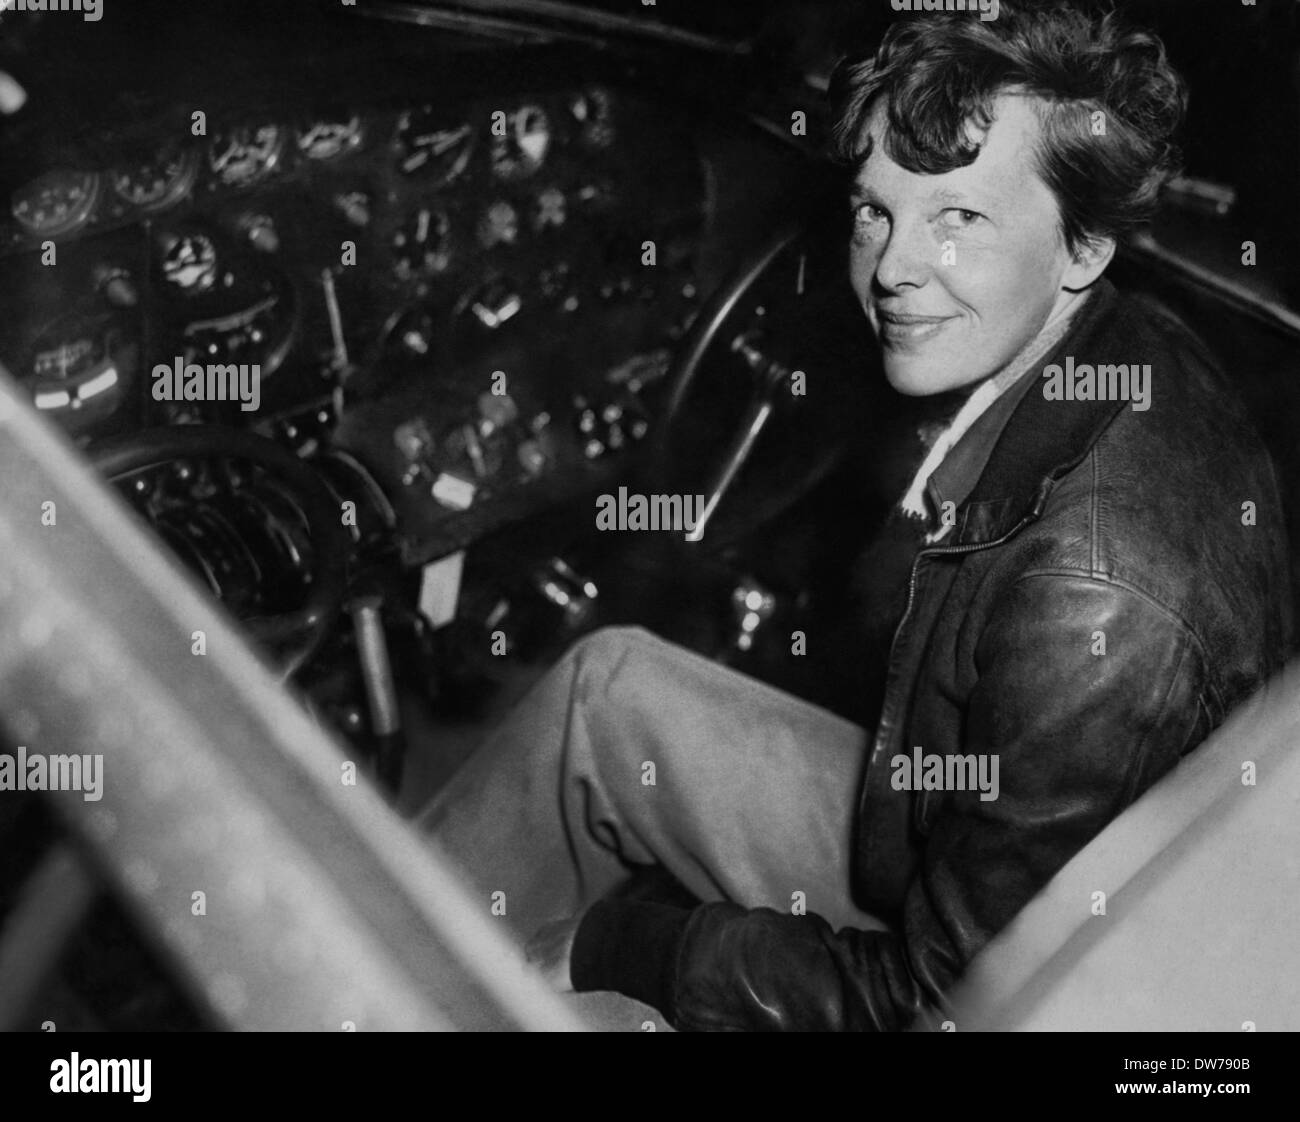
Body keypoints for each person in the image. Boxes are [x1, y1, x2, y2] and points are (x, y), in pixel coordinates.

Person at [417, 1, 1292, 1031]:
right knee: (603, 694)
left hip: (1077, 1011)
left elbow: (941, 1008)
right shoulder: (1115, 342)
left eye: (959, 218)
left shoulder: (1093, 605)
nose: (891, 267)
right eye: (875, 211)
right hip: (963, 849)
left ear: (1084, 244)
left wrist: (628, 948)